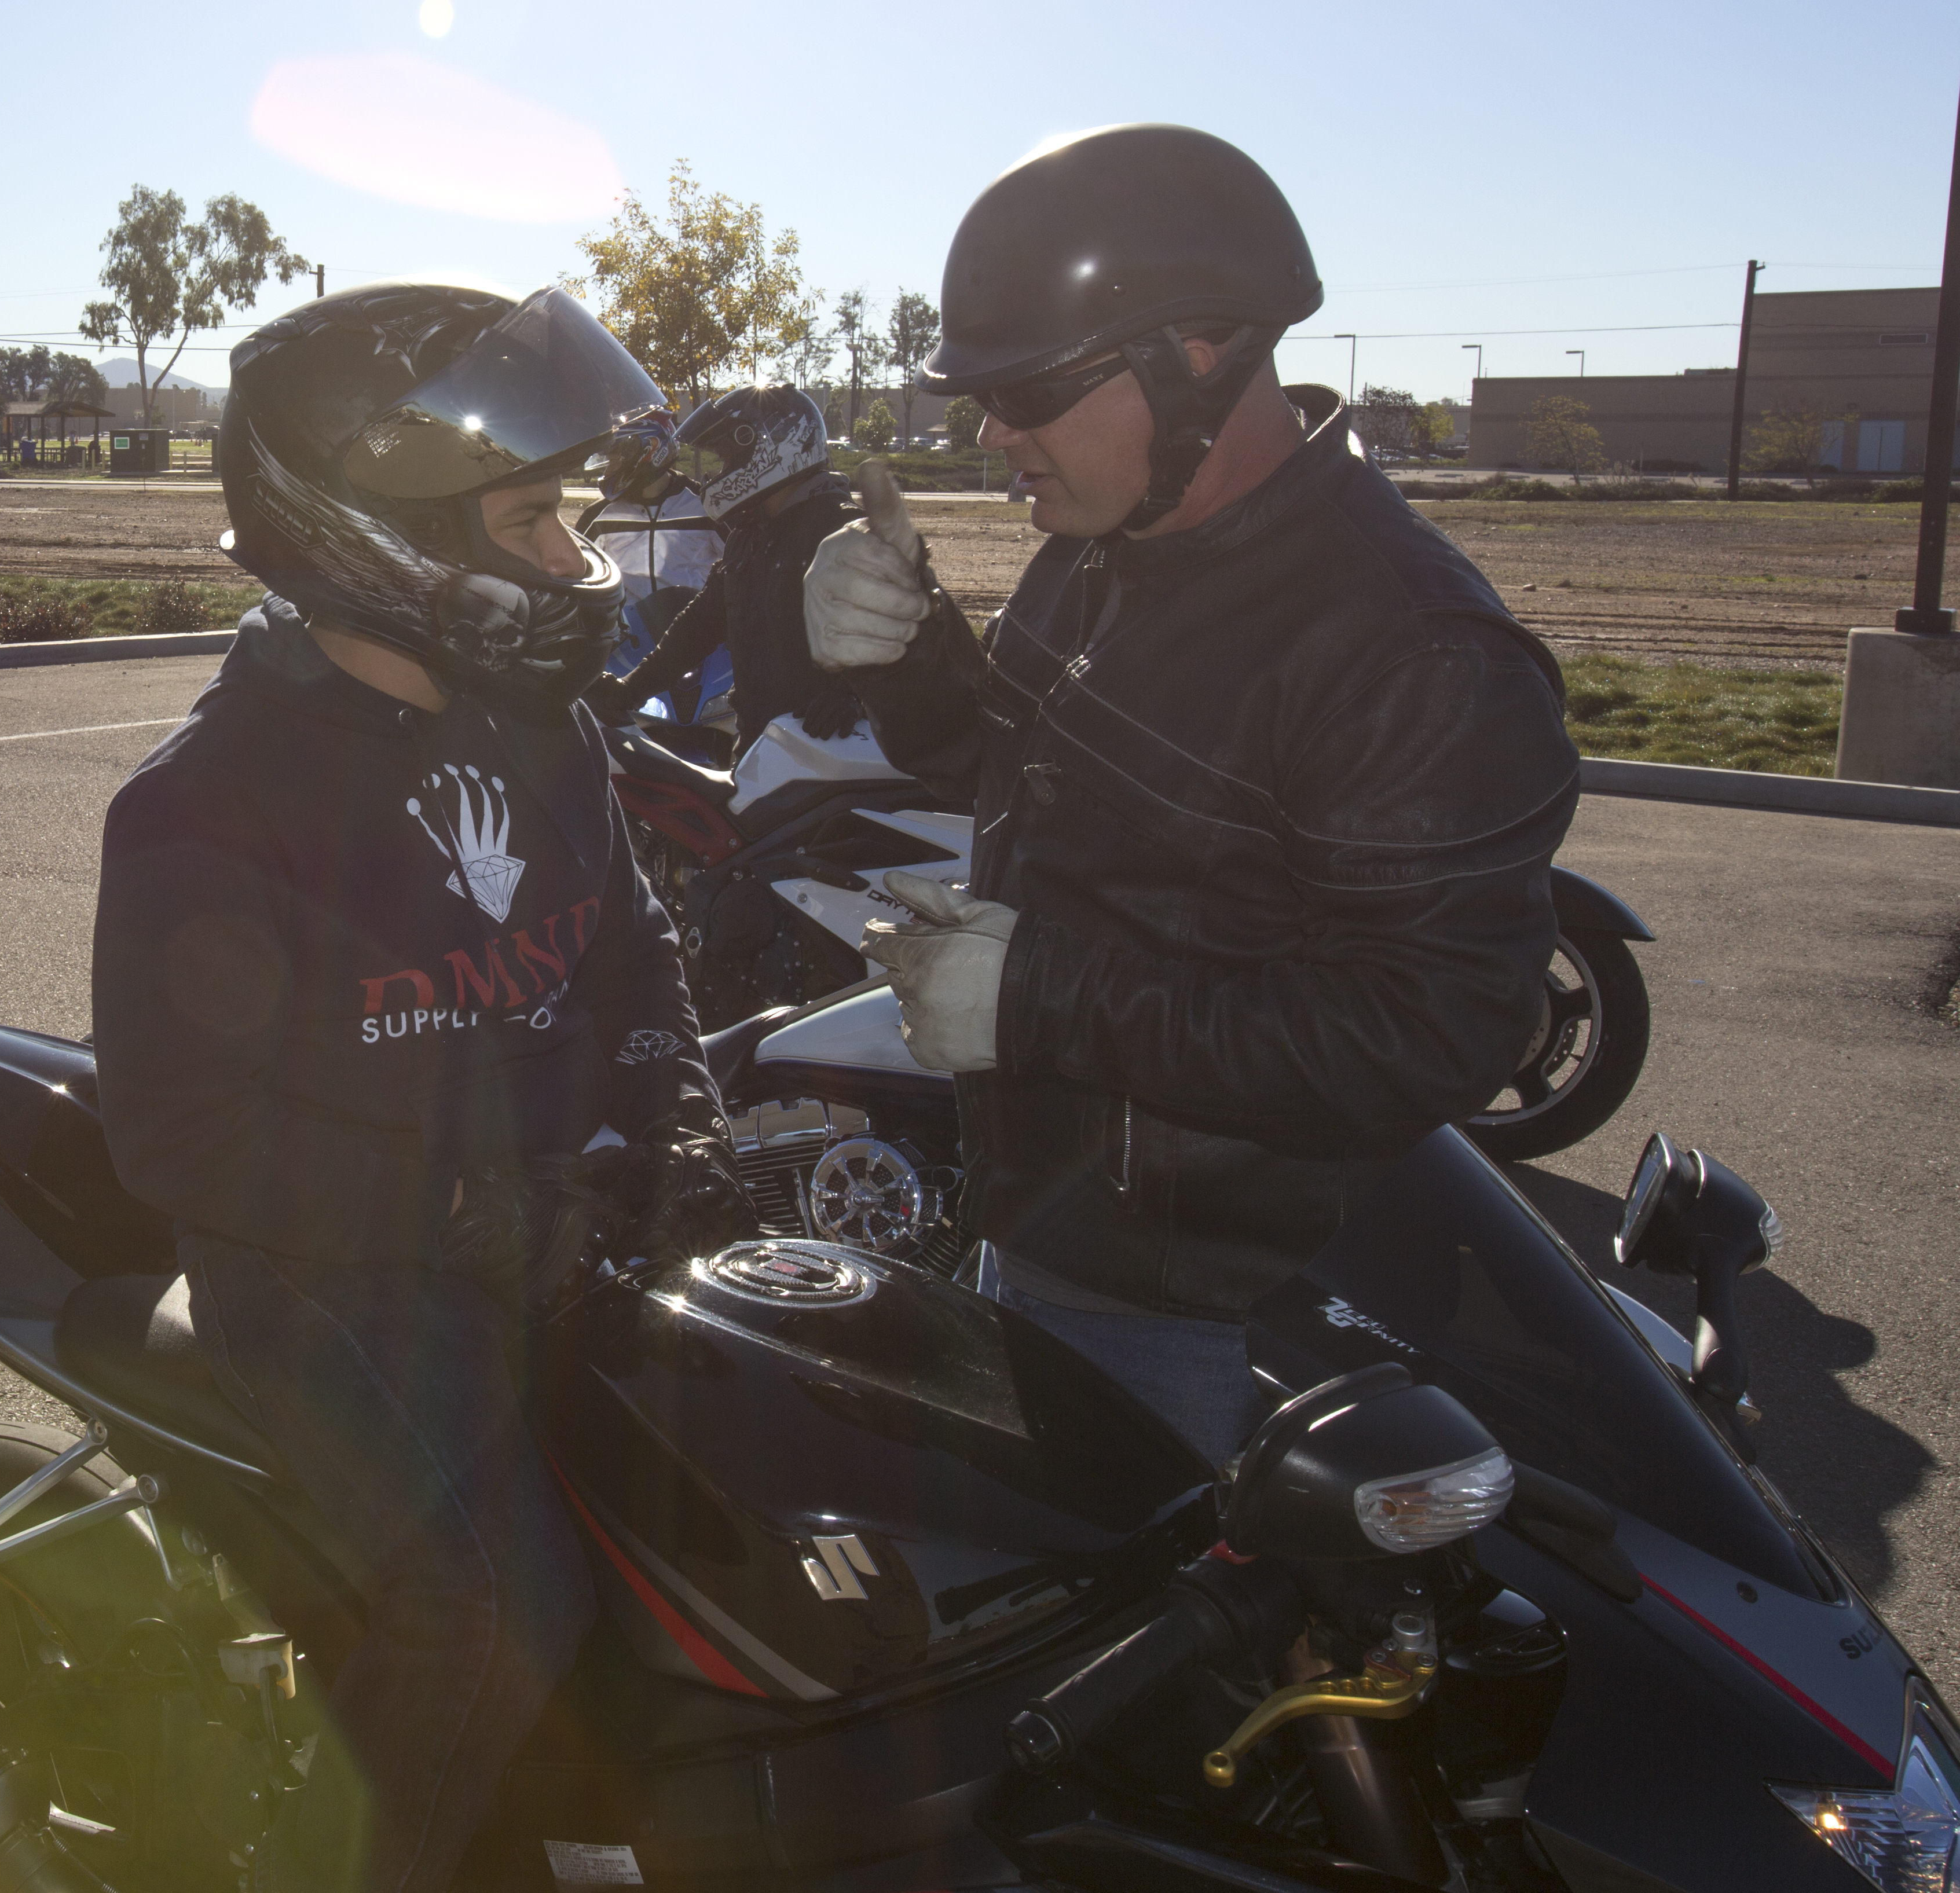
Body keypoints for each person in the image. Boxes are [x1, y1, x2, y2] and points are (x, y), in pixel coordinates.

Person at [91, 281, 752, 1893]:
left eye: (571, 515)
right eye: (531, 518)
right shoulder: (208, 805)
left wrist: (680, 1117)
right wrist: (456, 1207)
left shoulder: (546, 724)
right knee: (504, 1595)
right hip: (330, 1272)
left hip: (549, 1214)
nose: (568, 557)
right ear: (375, 534)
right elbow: (182, 1131)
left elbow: (627, 951)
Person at [802, 125, 1580, 1459]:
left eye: (1026, 391)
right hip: (1045, 1218)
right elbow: (1027, 777)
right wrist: (911, 656)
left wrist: (1039, 996)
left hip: (1206, 1312)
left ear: (1198, 354)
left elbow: (1429, 1036)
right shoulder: (1109, 549)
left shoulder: (1408, 649)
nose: (994, 433)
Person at [589, 384, 867, 747]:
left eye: (729, 459)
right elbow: (703, 621)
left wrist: (856, 695)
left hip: (830, 749)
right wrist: (632, 689)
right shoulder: (752, 533)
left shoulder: (843, 532)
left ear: (768, 451)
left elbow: (906, 637)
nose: (720, 474)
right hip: (762, 740)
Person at [573, 406, 721, 698]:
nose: (608, 470)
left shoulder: (707, 506)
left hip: (700, 643)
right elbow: (576, 585)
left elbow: (739, 572)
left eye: (615, 460)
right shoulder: (598, 517)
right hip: (626, 647)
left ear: (648, 452)